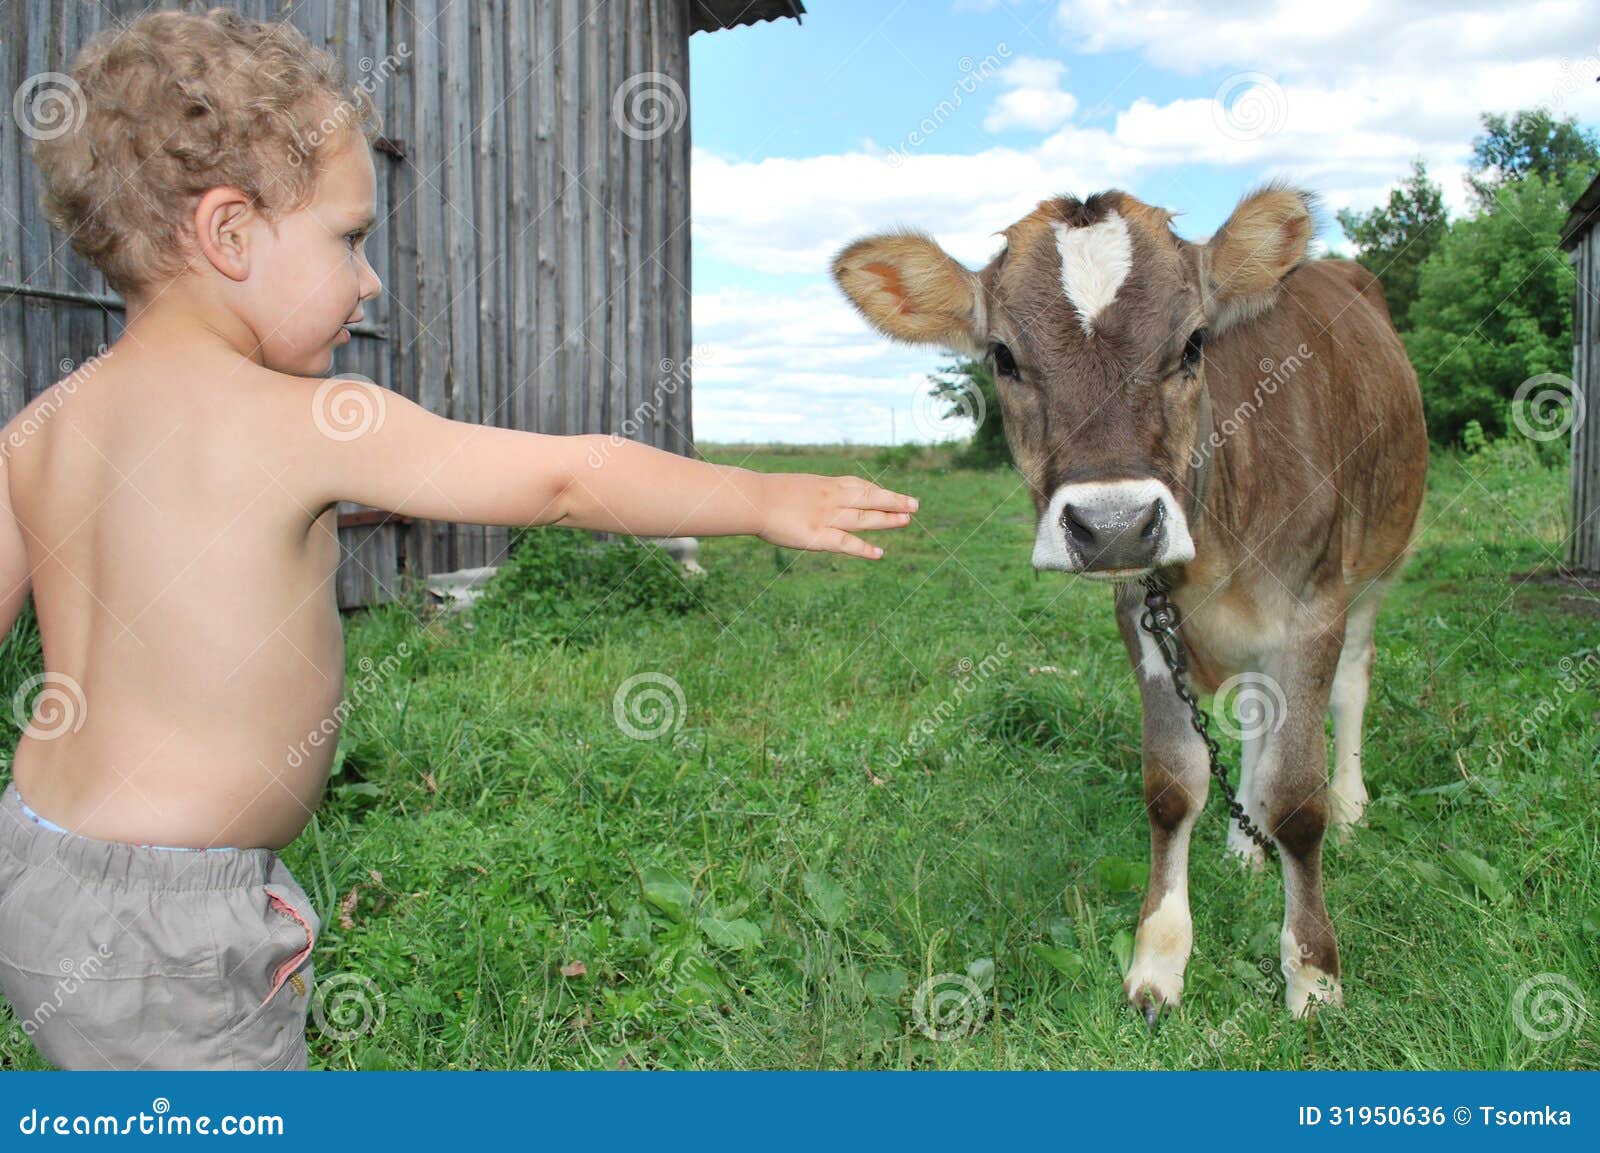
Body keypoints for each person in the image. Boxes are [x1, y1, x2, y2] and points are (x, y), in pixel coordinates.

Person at [0, 7, 917, 1070]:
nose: (369, 280)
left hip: (35, 866)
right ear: (231, 233)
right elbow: (567, 479)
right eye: (349, 240)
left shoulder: (40, 426)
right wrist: (761, 498)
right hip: (176, 933)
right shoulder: (302, 421)